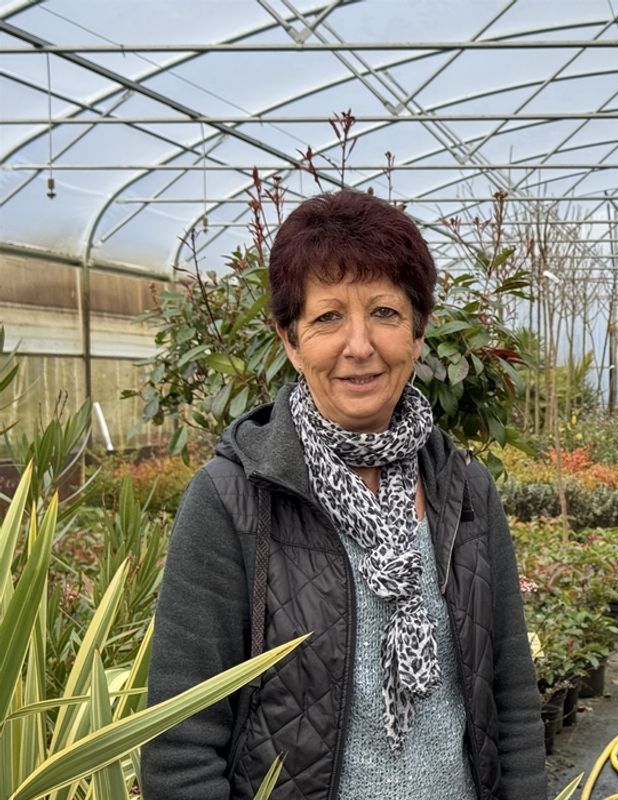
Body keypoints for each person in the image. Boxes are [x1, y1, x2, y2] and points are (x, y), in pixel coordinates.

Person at [143, 190, 547, 800]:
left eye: (384, 312)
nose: (359, 345)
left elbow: (512, 701)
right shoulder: (234, 499)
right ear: (290, 339)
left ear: (418, 331)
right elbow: (180, 745)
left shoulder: (464, 488)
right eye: (328, 317)